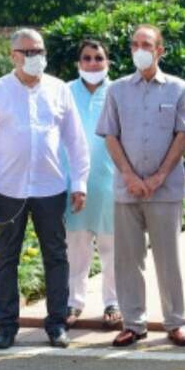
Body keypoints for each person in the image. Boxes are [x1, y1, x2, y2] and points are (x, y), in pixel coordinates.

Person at [0, 29, 90, 350]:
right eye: (28, 51)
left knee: (56, 256)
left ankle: (56, 324)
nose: (36, 57)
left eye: (39, 50)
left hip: (50, 189)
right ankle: (6, 327)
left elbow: (76, 141)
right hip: (8, 191)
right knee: (6, 258)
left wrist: (79, 183)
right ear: (13, 56)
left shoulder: (58, 90)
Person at [97, 24, 185, 348]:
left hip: (165, 190)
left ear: (160, 51)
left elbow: (183, 134)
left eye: (147, 44)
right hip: (127, 190)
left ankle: (176, 322)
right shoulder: (116, 90)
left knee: (168, 258)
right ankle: (133, 323)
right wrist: (128, 174)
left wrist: (157, 177)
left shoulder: (178, 89)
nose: (140, 49)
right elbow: (110, 135)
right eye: (135, 44)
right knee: (128, 259)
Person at [63, 40, 121, 330]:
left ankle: (113, 303)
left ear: (107, 62)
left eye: (98, 58)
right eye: (86, 58)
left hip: (111, 181)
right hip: (74, 183)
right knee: (77, 246)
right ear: (78, 63)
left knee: (112, 247)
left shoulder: (119, 92)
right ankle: (74, 303)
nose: (92, 63)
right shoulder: (65, 91)